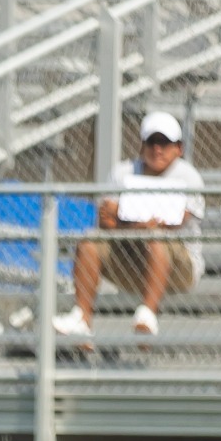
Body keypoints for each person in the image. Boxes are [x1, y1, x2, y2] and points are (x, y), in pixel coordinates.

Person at [54, 112, 206, 340]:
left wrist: (125, 217)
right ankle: (82, 319)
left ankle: (148, 313)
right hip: (130, 260)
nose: (158, 149)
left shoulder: (189, 177)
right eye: (152, 142)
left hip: (178, 268)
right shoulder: (122, 172)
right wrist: (143, 222)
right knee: (89, 242)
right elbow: (105, 220)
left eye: (165, 143)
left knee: (155, 237)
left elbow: (173, 223)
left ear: (179, 148)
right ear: (142, 145)